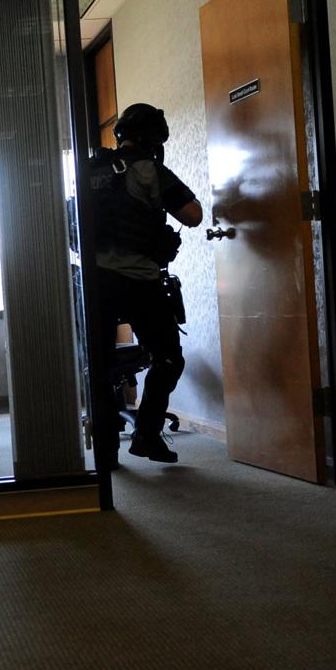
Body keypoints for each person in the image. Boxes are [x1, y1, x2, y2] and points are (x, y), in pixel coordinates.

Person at [89, 103, 202, 468]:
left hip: (96, 283)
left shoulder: (90, 168)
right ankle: (147, 435)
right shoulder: (150, 169)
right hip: (139, 281)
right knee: (168, 357)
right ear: (153, 139)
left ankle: (106, 451)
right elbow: (193, 215)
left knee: (101, 365)